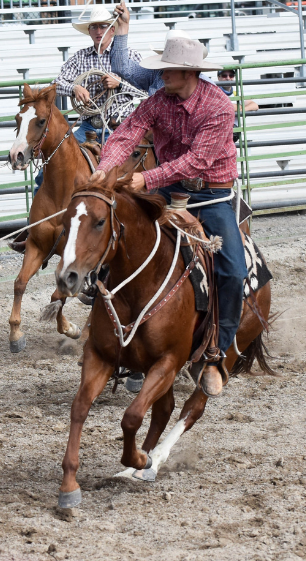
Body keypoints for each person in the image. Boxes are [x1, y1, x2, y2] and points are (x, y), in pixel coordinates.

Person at [90, 33, 245, 398]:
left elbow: (197, 161)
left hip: (210, 196)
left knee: (233, 271)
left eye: (168, 71)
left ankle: (214, 353)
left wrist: (146, 177)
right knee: (117, 238)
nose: (161, 76)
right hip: (165, 190)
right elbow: (127, 134)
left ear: (187, 72)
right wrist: (105, 167)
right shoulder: (158, 101)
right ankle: (111, 327)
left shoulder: (219, 106)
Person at [110, 3, 258, 114]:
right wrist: (122, 27)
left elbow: (224, 108)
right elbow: (122, 68)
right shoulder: (156, 74)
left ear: (189, 72)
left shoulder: (206, 87)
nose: (166, 73)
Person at [54, 5, 141, 146]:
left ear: (112, 30)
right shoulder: (80, 57)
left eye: (103, 26)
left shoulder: (129, 55)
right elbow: (56, 84)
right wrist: (74, 89)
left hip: (121, 125)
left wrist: (119, 83)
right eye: (94, 27)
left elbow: (143, 88)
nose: (98, 31)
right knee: (60, 154)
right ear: (89, 31)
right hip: (89, 127)